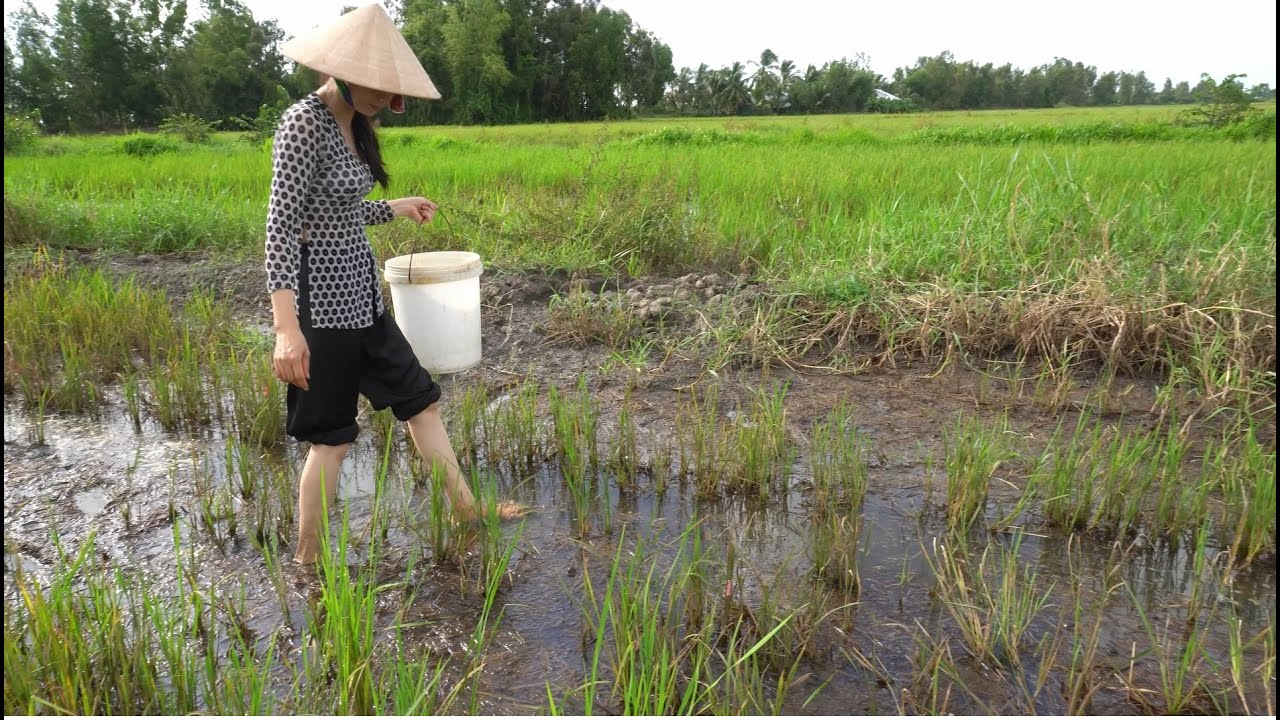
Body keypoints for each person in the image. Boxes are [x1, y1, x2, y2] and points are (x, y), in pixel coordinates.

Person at [268, 5, 519, 565]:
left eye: (391, 90)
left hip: (365, 301)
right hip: (322, 312)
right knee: (331, 440)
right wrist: (287, 330)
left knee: (420, 402)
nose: (385, 99)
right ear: (343, 71)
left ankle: (466, 509)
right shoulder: (303, 122)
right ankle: (308, 561)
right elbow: (282, 226)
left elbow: (336, 211)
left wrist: (394, 208)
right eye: (378, 87)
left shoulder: (354, 125)